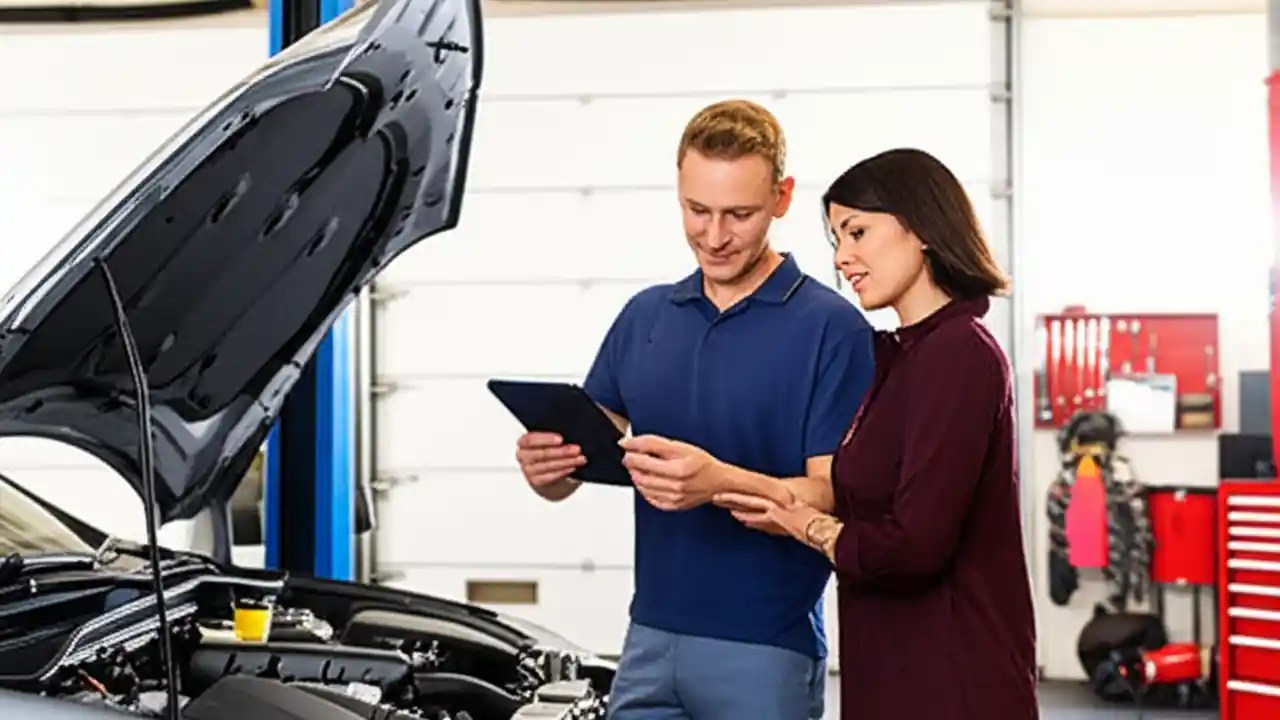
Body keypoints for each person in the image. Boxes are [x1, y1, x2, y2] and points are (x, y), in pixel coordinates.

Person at [513, 99, 875, 720]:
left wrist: (716, 484)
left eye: (739, 214)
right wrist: (550, 470)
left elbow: (832, 495)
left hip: (766, 646)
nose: (714, 236)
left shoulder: (833, 328)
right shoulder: (644, 317)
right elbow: (582, 466)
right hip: (648, 636)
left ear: (783, 198)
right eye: (696, 210)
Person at [714, 148, 1039, 719]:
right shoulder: (897, 357)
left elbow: (915, 546)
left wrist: (808, 526)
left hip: (951, 676)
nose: (843, 259)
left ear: (921, 227)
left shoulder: (959, 353)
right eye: (837, 238)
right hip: (892, 663)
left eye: (858, 232)